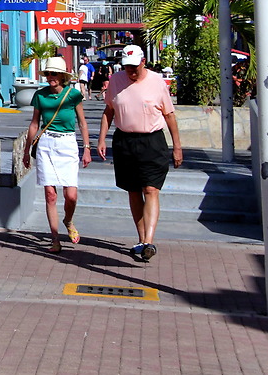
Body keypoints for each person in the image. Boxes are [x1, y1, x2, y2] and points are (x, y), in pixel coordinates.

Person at [96, 43, 183, 262]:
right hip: (125, 140)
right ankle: (143, 241)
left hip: (152, 141)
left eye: (134, 66)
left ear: (143, 62)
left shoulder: (157, 82)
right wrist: (101, 139)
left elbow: (169, 115)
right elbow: (109, 111)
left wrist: (177, 147)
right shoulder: (116, 81)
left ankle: (149, 241)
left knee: (151, 189)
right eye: (127, 67)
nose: (131, 71)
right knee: (133, 190)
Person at [23, 57, 91, 253]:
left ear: (62, 76)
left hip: (67, 143)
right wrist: (27, 150)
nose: (50, 77)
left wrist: (87, 148)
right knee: (50, 194)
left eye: (54, 73)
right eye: (48, 73)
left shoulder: (73, 95)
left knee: (71, 195)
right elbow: (34, 124)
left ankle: (68, 221)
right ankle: (55, 238)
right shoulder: (40, 95)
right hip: (46, 143)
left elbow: (82, 123)